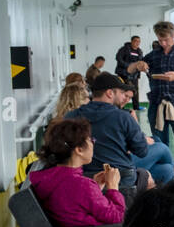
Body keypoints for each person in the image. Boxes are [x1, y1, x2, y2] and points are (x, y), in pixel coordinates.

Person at [65, 74, 153, 202]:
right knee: (158, 168)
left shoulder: (71, 116)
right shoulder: (124, 117)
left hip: (82, 175)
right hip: (121, 177)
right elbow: (142, 151)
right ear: (110, 93)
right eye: (121, 92)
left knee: (164, 167)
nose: (123, 96)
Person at [27, 117, 126, 227]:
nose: (93, 144)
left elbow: (73, 205)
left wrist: (96, 187)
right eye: (91, 140)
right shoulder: (82, 186)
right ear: (79, 149)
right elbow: (118, 217)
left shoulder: (52, 178)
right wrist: (113, 187)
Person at [132, 21, 174, 171]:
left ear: (173, 35)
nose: (163, 43)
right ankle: (168, 176)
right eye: (160, 40)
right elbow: (130, 69)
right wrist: (139, 64)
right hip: (156, 104)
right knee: (159, 145)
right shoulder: (153, 55)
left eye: (166, 40)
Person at [112, 82, 174, 186]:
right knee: (162, 148)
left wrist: (136, 127)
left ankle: (173, 171)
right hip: (121, 163)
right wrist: (142, 138)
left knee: (166, 169)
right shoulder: (115, 115)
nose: (126, 100)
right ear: (112, 94)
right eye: (124, 95)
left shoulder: (124, 112)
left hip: (125, 156)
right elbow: (129, 142)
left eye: (129, 98)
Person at [115, 35, 144, 112]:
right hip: (123, 74)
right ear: (131, 41)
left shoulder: (139, 51)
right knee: (123, 90)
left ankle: (136, 107)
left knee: (135, 90)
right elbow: (118, 58)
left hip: (134, 75)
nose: (137, 43)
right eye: (135, 41)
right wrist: (128, 66)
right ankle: (121, 107)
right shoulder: (124, 49)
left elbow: (140, 61)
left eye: (139, 41)